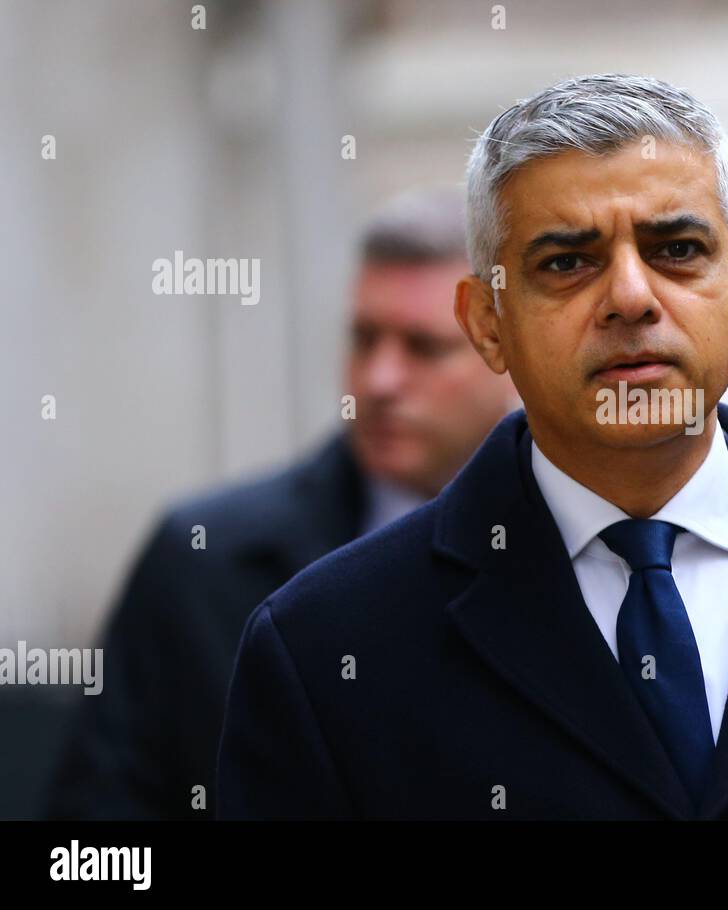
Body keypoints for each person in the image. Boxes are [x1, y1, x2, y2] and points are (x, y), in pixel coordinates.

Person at [217, 73, 728, 820]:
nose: (630, 296)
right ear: (487, 323)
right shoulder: (329, 652)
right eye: (566, 263)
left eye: (677, 250)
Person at [44, 191, 518, 819]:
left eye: (423, 348)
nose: (378, 381)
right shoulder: (203, 557)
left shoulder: (595, 547)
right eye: (364, 338)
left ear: (502, 349)